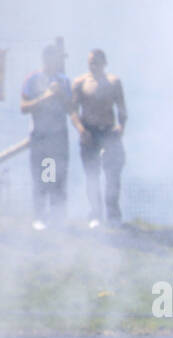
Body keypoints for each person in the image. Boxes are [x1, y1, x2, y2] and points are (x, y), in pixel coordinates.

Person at [71, 49, 127, 228]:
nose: (92, 65)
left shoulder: (114, 82)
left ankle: (113, 215)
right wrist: (80, 129)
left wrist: (121, 126)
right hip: (89, 133)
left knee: (113, 175)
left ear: (104, 63)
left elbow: (122, 108)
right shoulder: (80, 82)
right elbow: (72, 110)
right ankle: (95, 214)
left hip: (109, 132)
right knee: (92, 176)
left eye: (96, 62)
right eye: (90, 62)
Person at [19, 44, 73, 231]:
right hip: (41, 136)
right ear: (45, 59)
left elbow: (70, 108)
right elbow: (23, 107)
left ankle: (57, 218)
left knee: (58, 178)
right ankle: (40, 217)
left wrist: (60, 95)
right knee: (43, 177)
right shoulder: (33, 79)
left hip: (58, 137)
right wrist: (44, 97)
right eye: (52, 58)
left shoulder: (64, 81)